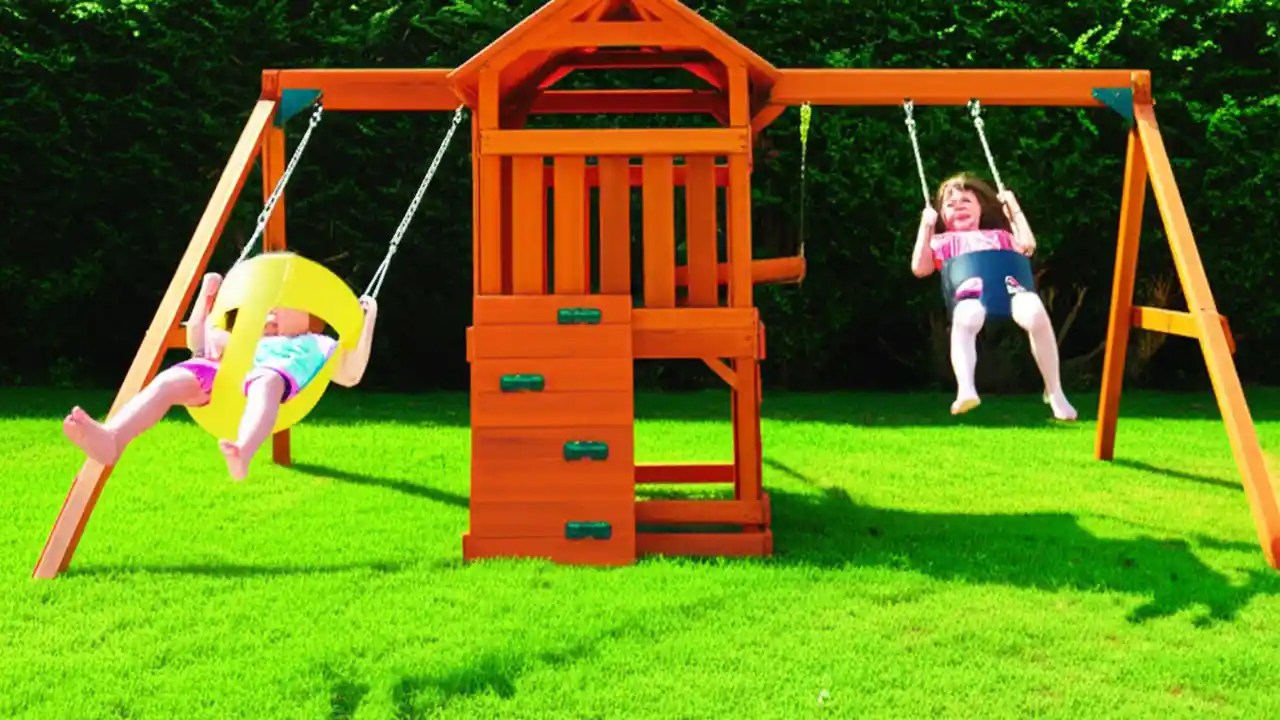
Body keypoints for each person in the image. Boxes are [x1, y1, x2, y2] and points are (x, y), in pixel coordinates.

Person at [62, 263, 379, 479]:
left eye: (281, 307)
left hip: (268, 381)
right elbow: (196, 341)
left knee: (264, 383)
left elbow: (350, 375)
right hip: (216, 380)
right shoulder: (241, 330)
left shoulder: (313, 344)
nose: (270, 313)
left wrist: (366, 323)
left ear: (310, 318)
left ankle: (243, 450)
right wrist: (207, 295)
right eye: (267, 306)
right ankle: (114, 437)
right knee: (168, 381)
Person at [909, 172, 1077, 421]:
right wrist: (926, 226)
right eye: (950, 205)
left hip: (1010, 288)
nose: (958, 207)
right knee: (968, 315)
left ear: (980, 209)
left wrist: (1013, 208)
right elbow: (920, 268)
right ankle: (966, 388)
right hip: (970, 293)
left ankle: (1055, 392)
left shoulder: (1001, 236)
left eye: (966, 201)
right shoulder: (942, 241)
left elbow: (1028, 246)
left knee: (1035, 311)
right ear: (942, 215)